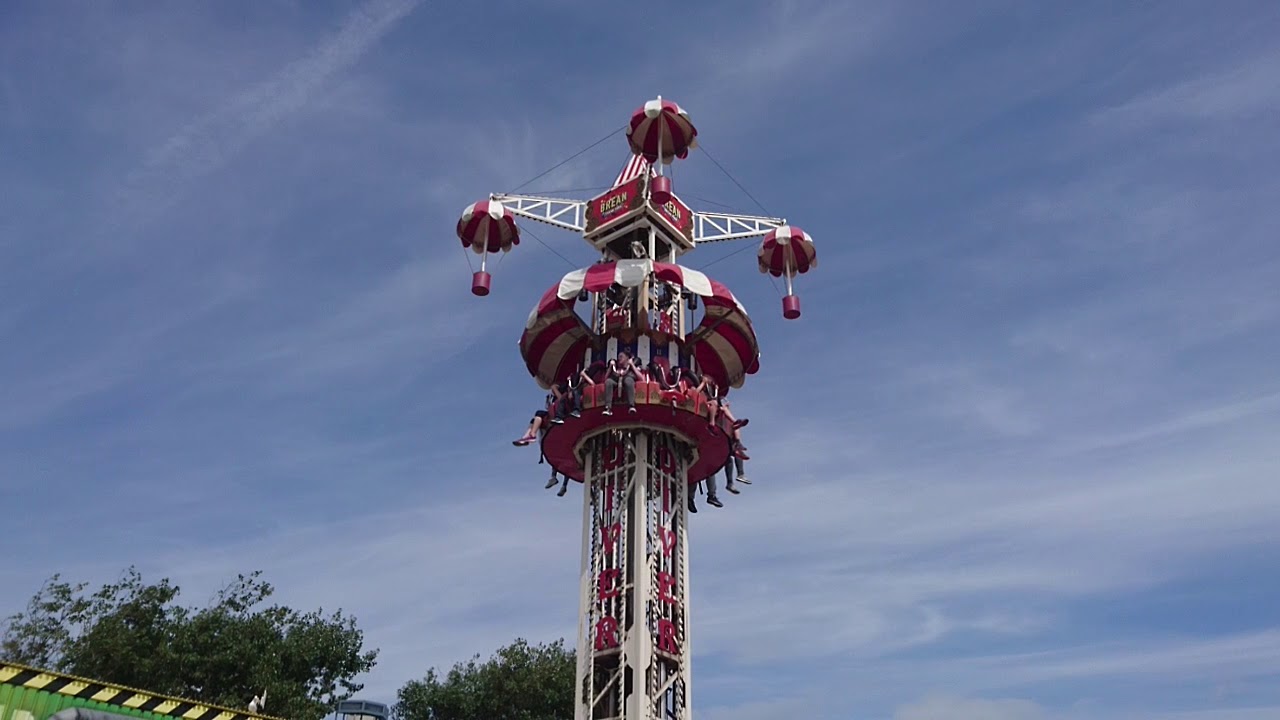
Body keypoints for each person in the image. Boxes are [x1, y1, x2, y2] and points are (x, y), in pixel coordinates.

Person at [603, 350, 639, 415]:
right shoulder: (615, 369)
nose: (619, 358)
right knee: (608, 382)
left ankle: (631, 406)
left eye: (621, 356)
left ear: (627, 358)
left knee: (628, 380)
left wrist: (632, 365)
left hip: (627, 381)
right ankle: (608, 407)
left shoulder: (631, 368)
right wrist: (611, 367)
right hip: (616, 381)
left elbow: (642, 378)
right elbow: (605, 379)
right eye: (618, 357)